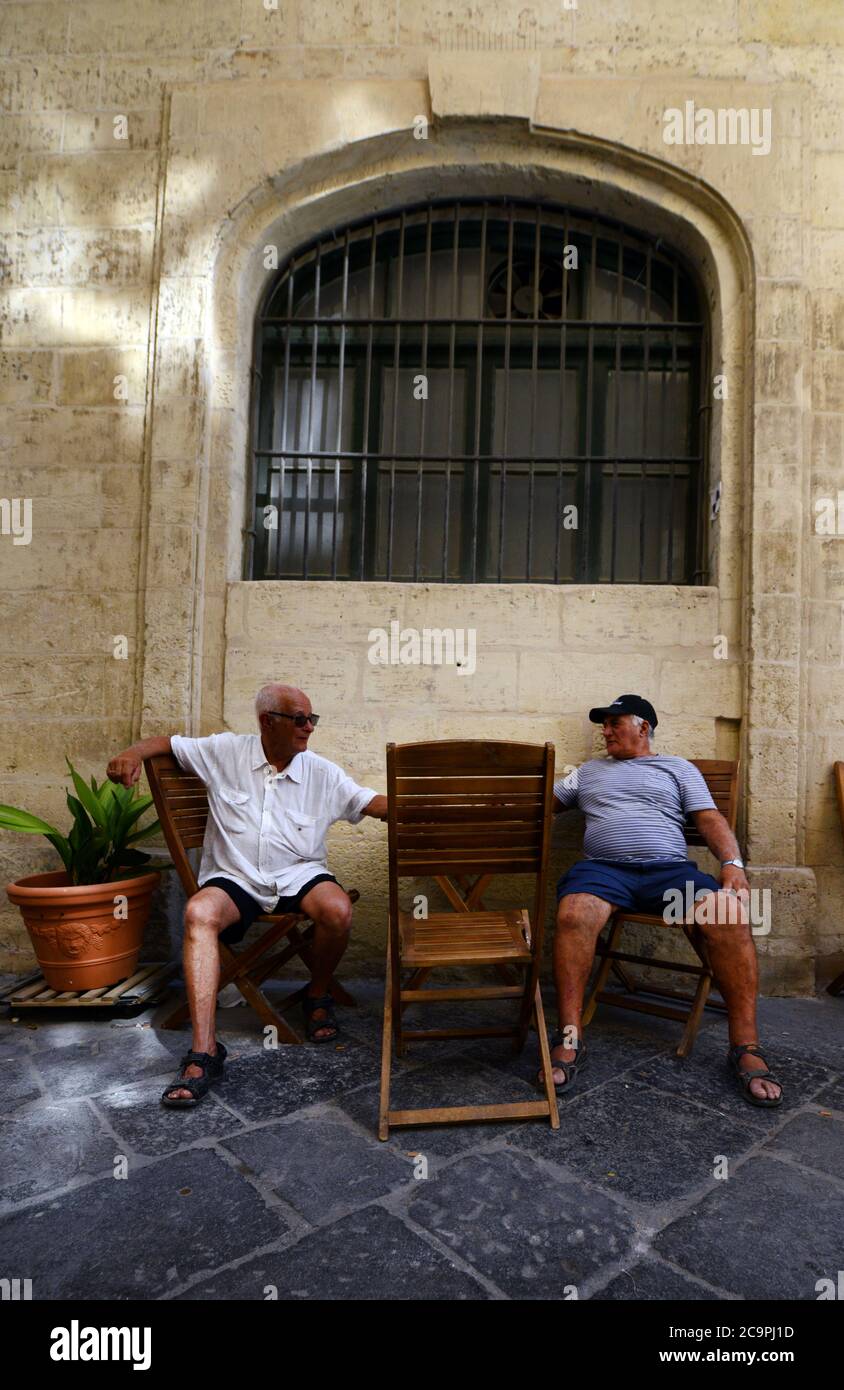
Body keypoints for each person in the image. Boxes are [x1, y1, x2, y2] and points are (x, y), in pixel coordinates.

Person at [106, 683, 387, 1107]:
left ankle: (317, 993)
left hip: (299, 875)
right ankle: (204, 1051)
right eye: (299, 719)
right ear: (266, 721)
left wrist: (436, 807)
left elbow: (370, 803)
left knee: (337, 909)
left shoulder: (322, 772)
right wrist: (133, 753)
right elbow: (166, 742)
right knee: (199, 912)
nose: (308, 728)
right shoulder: (224, 751)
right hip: (235, 878)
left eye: (312, 719)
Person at [539, 694, 783, 1108]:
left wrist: (732, 863)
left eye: (615, 723)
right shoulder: (588, 772)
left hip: (668, 874)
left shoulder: (677, 768)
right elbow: (543, 806)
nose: (606, 731)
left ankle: (746, 1047)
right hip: (604, 871)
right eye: (604, 725)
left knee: (728, 914)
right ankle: (570, 1036)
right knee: (573, 914)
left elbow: (710, 819)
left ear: (644, 727)